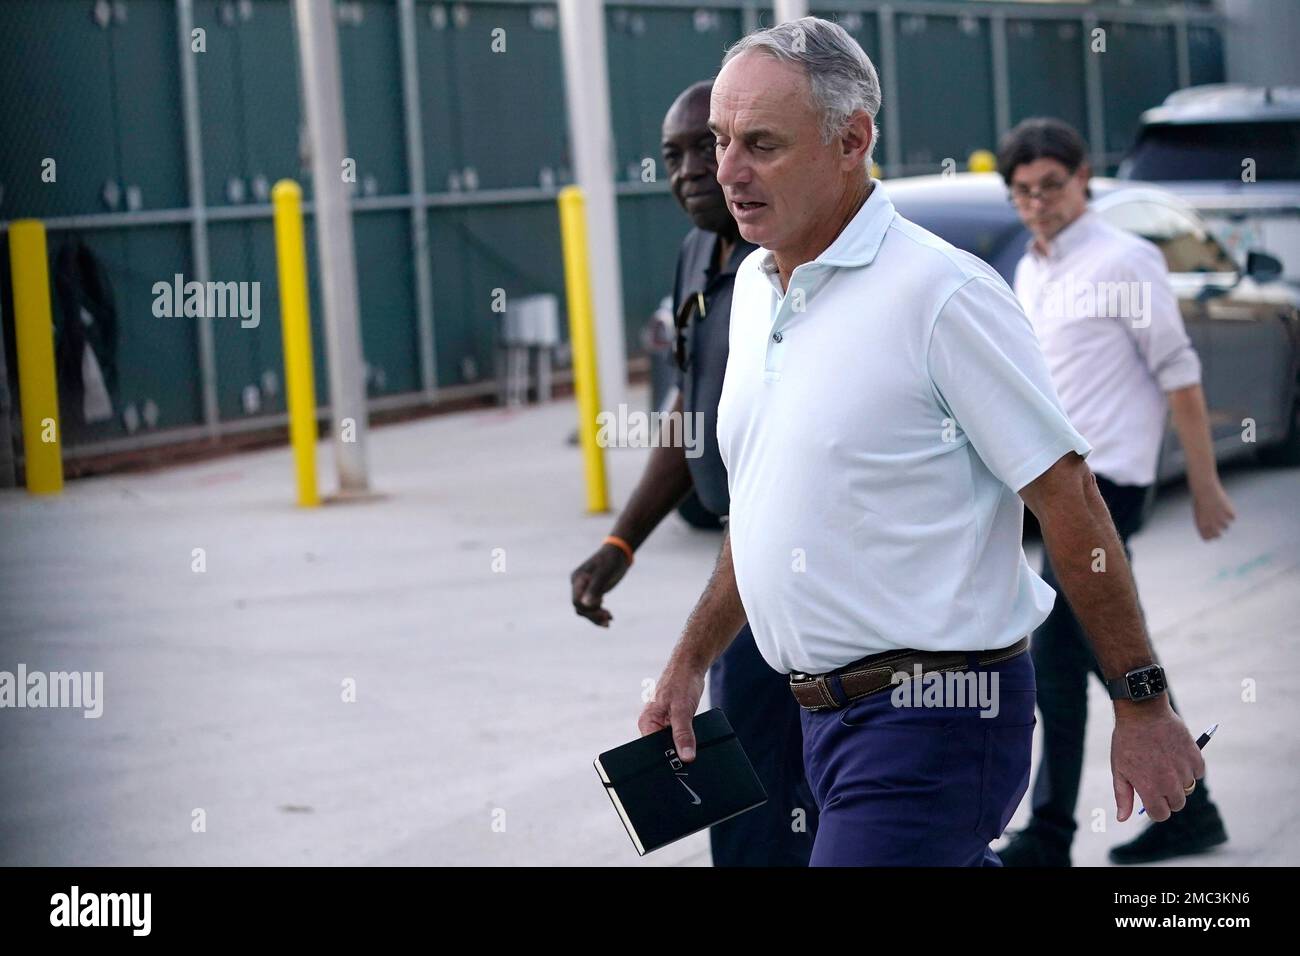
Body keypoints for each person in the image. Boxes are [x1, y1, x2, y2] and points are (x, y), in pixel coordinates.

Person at [637, 17, 1208, 867]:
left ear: (851, 140)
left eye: (760, 143)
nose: (726, 171)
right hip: (814, 718)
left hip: (935, 717)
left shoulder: (942, 296)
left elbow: (1068, 498)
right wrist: (689, 661)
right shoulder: (757, 290)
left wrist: (1141, 701)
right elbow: (760, 511)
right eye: (720, 140)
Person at [570, 81, 817, 866]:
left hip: (798, 570)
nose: (690, 170)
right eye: (675, 154)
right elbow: (688, 416)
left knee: (765, 775)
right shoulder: (695, 258)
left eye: (705, 149)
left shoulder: (784, 262)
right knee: (744, 778)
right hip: (737, 559)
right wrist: (622, 541)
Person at [995, 118, 1233, 867]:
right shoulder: (1032, 267)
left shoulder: (1125, 260)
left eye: (1052, 187)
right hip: (1056, 491)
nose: (1039, 204)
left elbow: (1178, 372)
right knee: (1078, 660)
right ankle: (1166, 813)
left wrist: (1204, 485)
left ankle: (1065, 830)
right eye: (1024, 193)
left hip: (1111, 486)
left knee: (1090, 658)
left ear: (1083, 175)